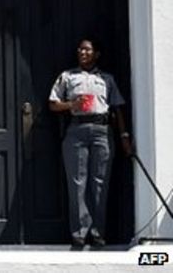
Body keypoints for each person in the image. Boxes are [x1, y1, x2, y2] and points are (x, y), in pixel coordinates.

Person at [48, 38, 133, 249]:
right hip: (77, 128)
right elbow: (53, 104)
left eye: (87, 49)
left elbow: (117, 108)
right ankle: (79, 233)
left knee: (99, 183)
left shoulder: (107, 79)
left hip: (102, 131)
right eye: (80, 49)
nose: (82, 52)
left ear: (96, 54)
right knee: (77, 183)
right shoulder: (68, 76)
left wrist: (124, 137)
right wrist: (71, 104)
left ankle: (98, 233)